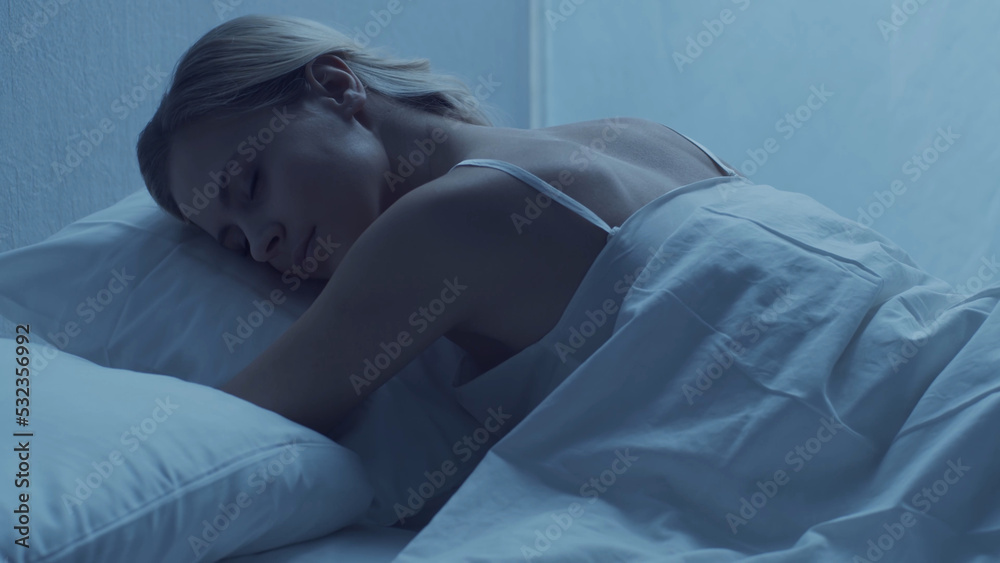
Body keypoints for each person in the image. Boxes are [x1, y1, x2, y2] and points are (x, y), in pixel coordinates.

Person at [136, 14, 745, 435]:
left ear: (335, 86)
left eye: (251, 184)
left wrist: (33, 409)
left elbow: (214, 435)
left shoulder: (442, 222)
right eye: (235, 243)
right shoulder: (643, 136)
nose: (261, 244)